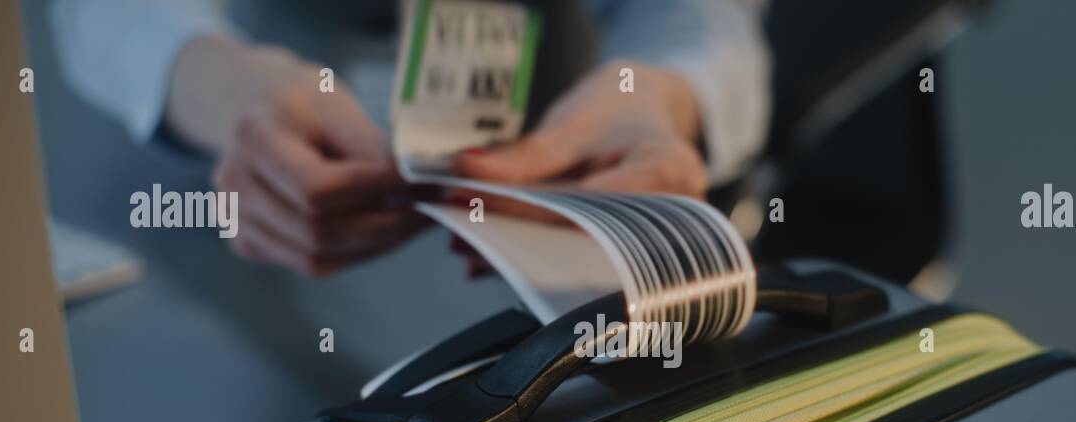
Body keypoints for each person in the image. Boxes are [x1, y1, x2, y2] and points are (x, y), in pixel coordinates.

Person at [50, 0, 771, 276]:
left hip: (550, 212)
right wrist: (224, 87)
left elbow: (702, 18)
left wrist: (669, 97)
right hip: (219, 210)